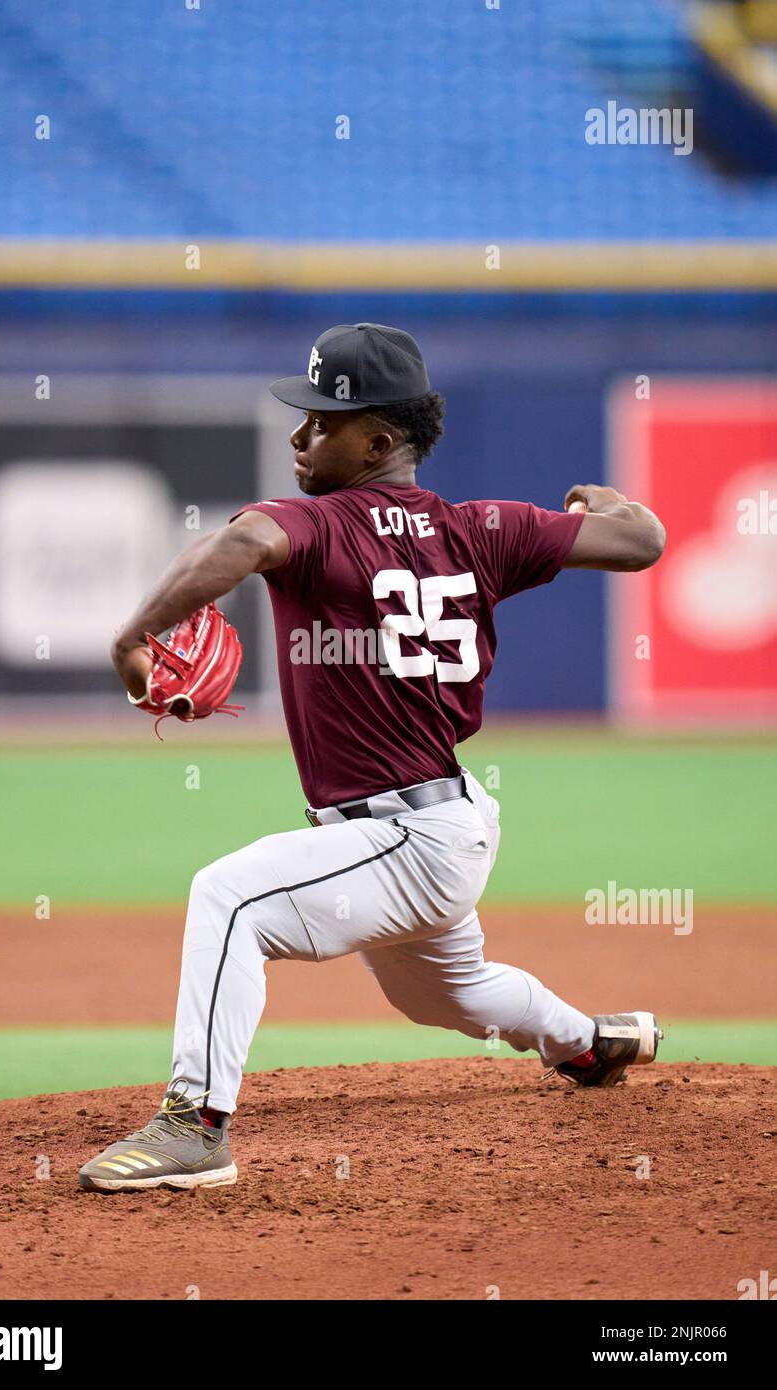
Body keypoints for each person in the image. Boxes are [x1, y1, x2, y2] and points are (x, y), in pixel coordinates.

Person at [79, 323, 666, 1192]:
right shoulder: (485, 529)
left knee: (230, 896)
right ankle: (592, 1043)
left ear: (379, 442)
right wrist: (610, 507)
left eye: (321, 421)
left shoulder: (313, 526)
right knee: (448, 996)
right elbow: (643, 542)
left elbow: (242, 547)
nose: (299, 434)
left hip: (406, 837)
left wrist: (137, 633)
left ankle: (195, 1127)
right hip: (440, 829)